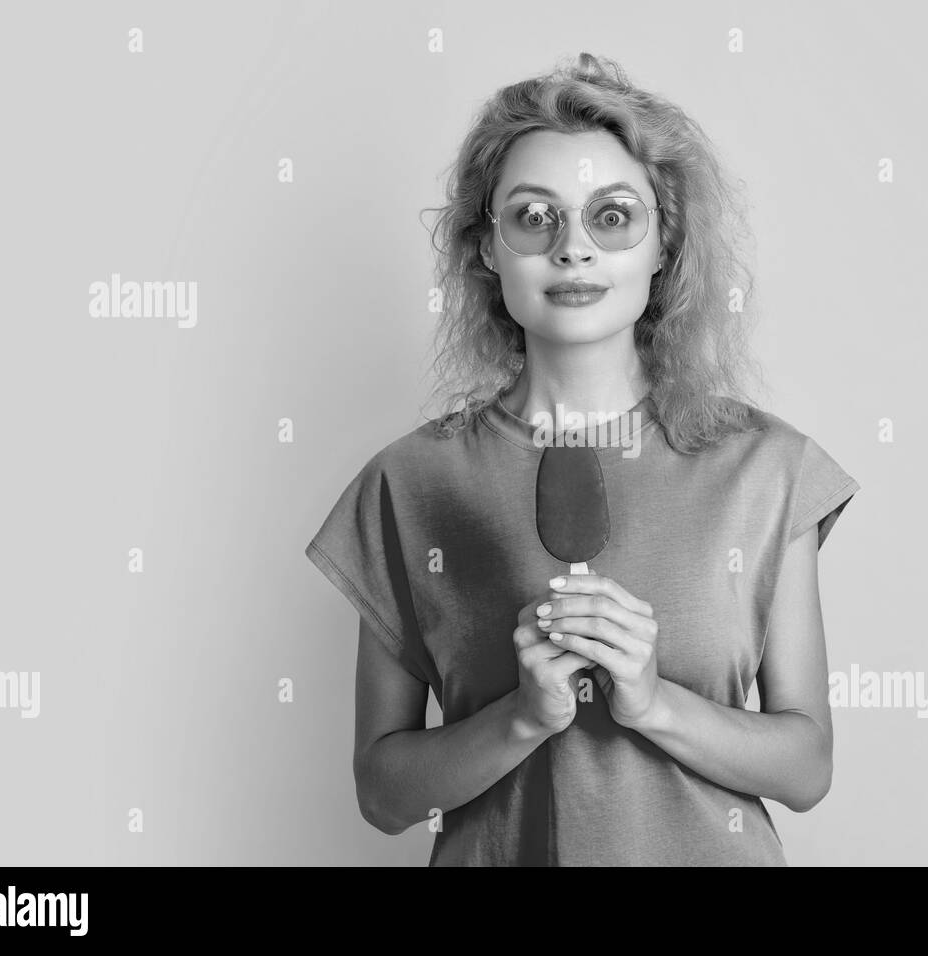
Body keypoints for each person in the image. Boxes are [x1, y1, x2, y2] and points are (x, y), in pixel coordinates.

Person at [304, 53, 860, 866]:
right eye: (534, 217)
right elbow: (383, 795)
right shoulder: (410, 484)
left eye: (612, 216)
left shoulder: (767, 470)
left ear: (664, 241)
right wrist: (521, 717)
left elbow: (807, 769)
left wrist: (652, 703)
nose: (574, 250)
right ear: (486, 248)